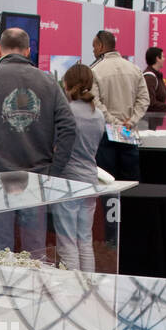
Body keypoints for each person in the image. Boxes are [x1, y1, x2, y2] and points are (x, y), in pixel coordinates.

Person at [0, 27, 75, 256]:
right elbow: (68, 127)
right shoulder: (48, 81)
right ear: (28, 50)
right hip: (36, 177)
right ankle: (34, 291)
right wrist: (54, 170)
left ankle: (5, 290)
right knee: (35, 249)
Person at [52, 64, 105, 271]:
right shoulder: (98, 115)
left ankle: (72, 290)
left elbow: (56, 144)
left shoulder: (66, 113)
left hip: (67, 180)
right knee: (85, 239)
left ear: (66, 84)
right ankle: (88, 287)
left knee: (67, 241)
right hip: (90, 179)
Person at [89, 30, 148, 179]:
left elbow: (95, 103)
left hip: (106, 133)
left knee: (108, 182)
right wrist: (131, 121)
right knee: (131, 181)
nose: (93, 50)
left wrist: (115, 123)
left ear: (101, 46)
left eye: (94, 46)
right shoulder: (135, 69)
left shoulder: (94, 70)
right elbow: (144, 99)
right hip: (129, 131)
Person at [142, 46, 166, 130]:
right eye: (163, 56)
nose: (164, 59)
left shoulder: (156, 76)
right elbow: (150, 103)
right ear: (157, 58)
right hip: (147, 122)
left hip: (152, 121)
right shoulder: (149, 78)